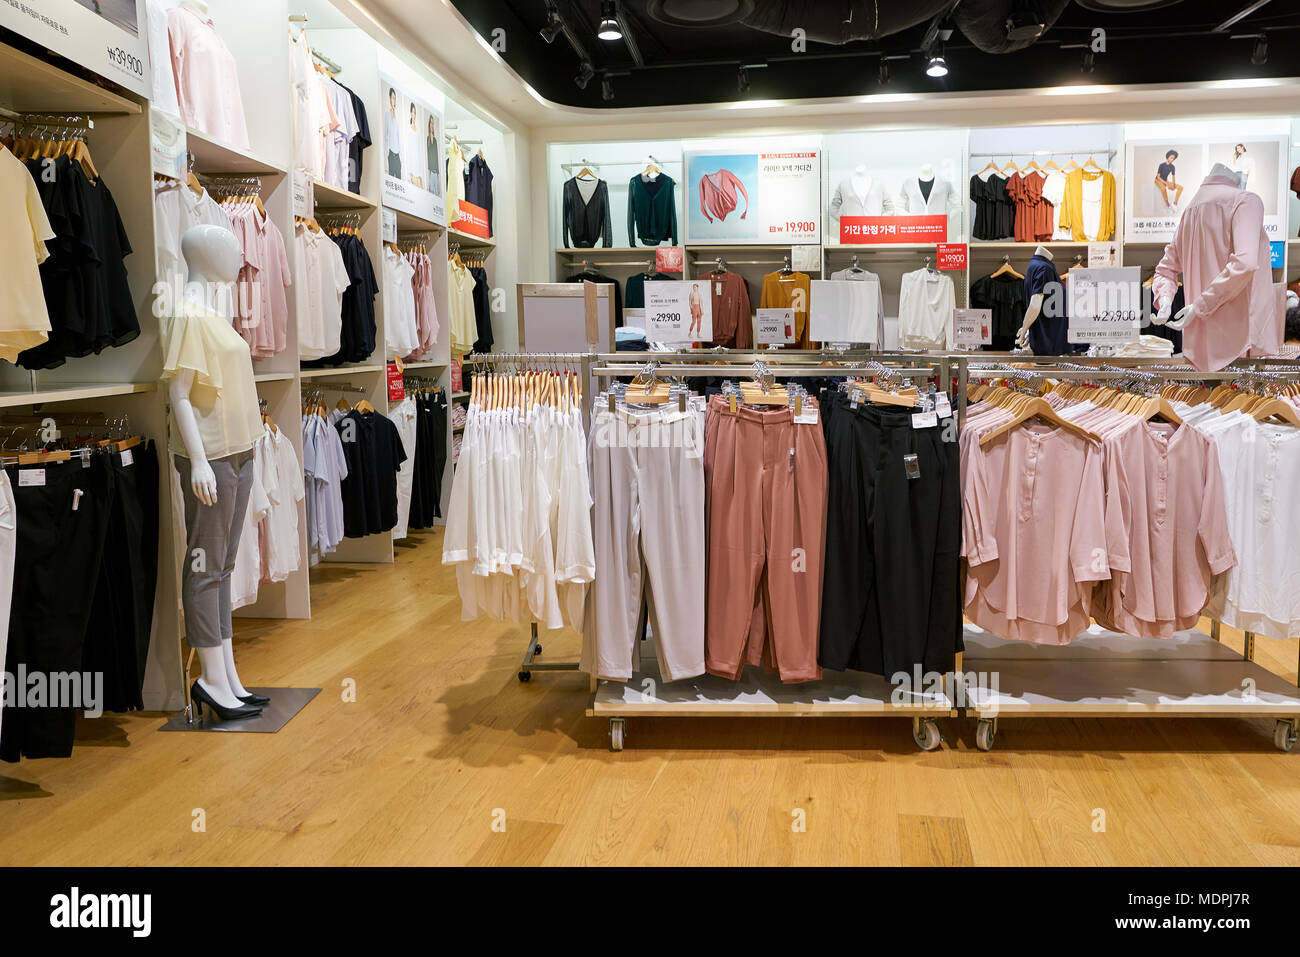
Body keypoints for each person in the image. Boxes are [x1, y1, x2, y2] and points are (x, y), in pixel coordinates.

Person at [384, 87, 402, 179]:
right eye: (392, 98)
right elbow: (386, 136)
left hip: (397, 154)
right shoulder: (387, 115)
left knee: (399, 178)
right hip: (390, 153)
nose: (394, 100)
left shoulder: (398, 116)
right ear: (389, 99)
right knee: (391, 178)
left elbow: (399, 137)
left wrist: (401, 157)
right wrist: (387, 154)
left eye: (395, 98)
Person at [426, 116, 441, 197]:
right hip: (431, 173)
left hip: (435, 172)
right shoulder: (427, 140)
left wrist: (439, 184)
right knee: (431, 194)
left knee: (436, 195)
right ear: (429, 124)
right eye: (431, 123)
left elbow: (437, 159)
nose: (432, 125)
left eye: (433, 123)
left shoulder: (435, 140)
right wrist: (428, 180)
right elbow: (428, 159)